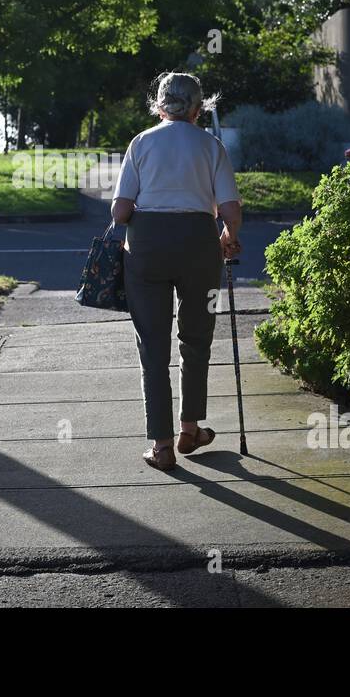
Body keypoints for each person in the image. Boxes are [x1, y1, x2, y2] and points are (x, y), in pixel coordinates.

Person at [110, 72, 242, 471]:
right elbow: (231, 210)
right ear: (200, 108)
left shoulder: (142, 143)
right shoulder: (210, 145)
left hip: (147, 247)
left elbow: (120, 210)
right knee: (197, 337)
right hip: (199, 245)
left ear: (159, 105)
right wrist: (228, 236)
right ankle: (190, 427)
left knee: (152, 345)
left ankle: (162, 446)